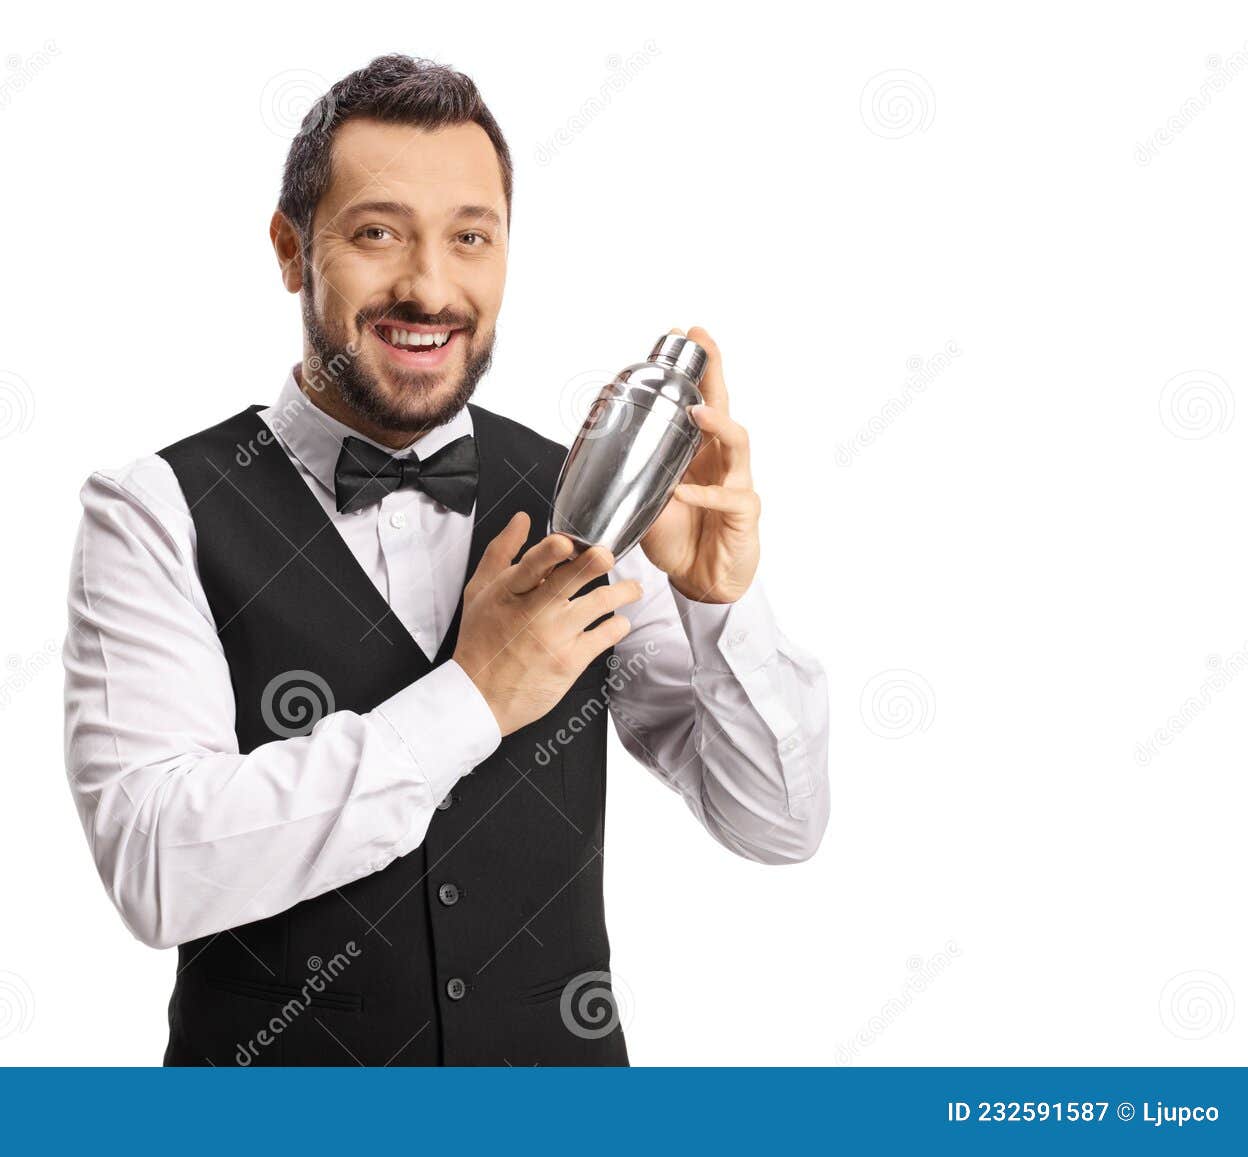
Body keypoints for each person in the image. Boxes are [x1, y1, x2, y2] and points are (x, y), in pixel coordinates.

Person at [62, 54, 829, 1066]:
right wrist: (472, 694)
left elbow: (776, 823)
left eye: (470, 237)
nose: (429, 286)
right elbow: (156, 865)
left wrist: (716, 599)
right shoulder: (156, 508)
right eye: (377, 233)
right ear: (293, 251)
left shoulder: (584, 499)